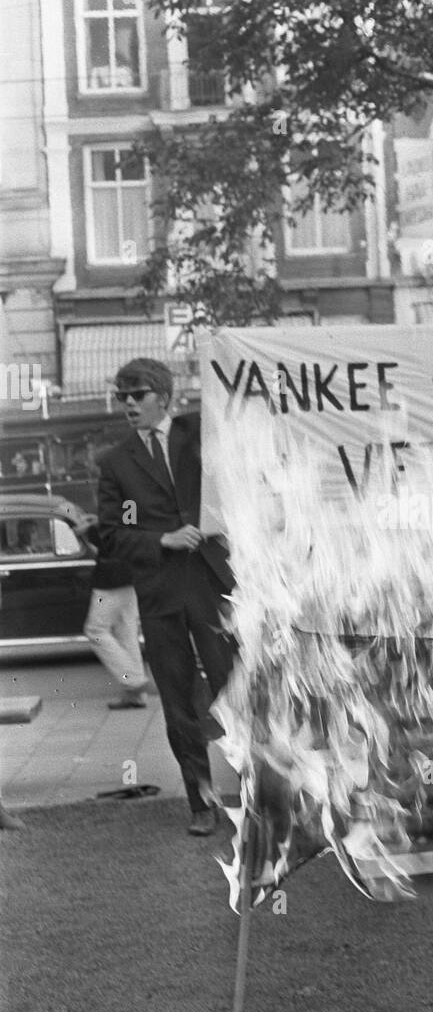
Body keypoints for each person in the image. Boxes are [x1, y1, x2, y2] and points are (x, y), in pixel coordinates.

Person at [98, 358, 235, 836]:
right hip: (160, 596)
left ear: (164, 395)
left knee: (235, 690)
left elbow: (241, 409)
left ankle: (263, 796)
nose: (129, 404)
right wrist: (162, 540)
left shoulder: (199, 434)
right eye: (122, 396)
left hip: (215, 585)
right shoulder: (116, 463)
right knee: (178, 704)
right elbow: (115, 534)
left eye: (137, 394)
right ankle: (201, 803)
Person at [71, 508, 152, 710]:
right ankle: (137, 696)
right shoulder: (131, 495)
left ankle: (133, 681)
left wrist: (89, 529)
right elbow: (127, 523)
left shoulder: (116, 486)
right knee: (126, 633)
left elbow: (109, 536)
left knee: (95, 630)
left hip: (110, 578)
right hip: (130, 574)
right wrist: (98, 521)